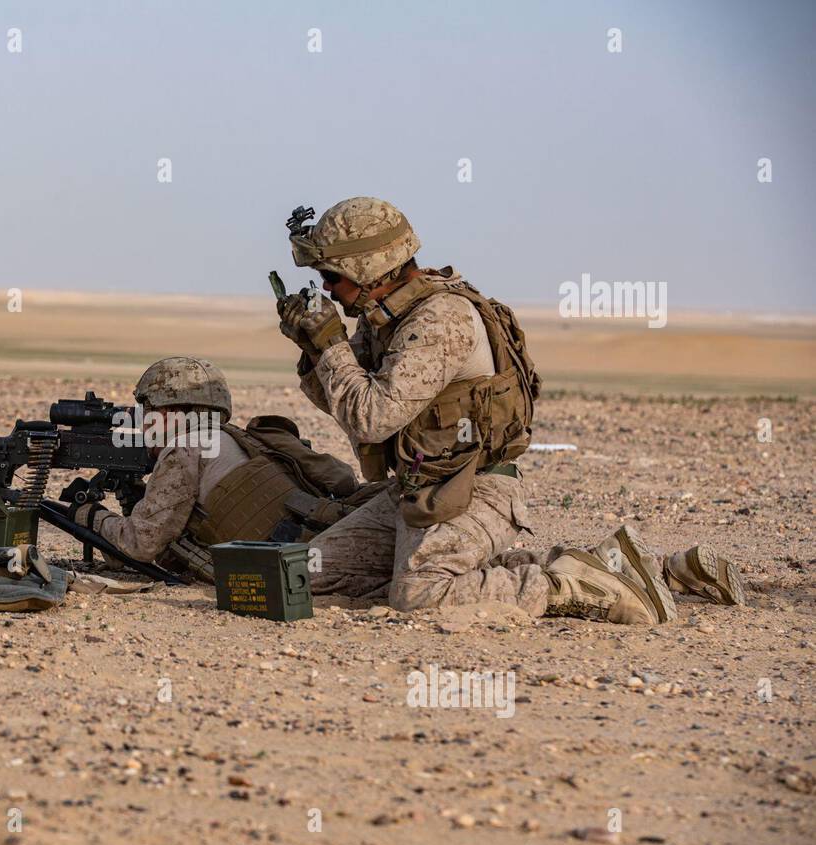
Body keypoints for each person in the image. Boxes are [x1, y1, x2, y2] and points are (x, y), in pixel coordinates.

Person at [276, 197, 744, 621]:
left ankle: (577, 585)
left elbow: (371, 417)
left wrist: (330, 345)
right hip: (419, 489)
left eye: (332, 277)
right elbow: (346, 401)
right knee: (313, 576)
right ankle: (653, 568)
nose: (328, 290)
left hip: (472, 489)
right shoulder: (387, 318)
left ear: (368, 269)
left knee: (420, 594)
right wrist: (314, 350)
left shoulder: (440, 320)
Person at [69, 356, 364, 580]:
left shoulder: (186, 447)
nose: (145, 423)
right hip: (321, 551)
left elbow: (140, 544)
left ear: (170, 412)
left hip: (296, 572)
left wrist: (88, 515)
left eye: (149, 413)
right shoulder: (235, 437)